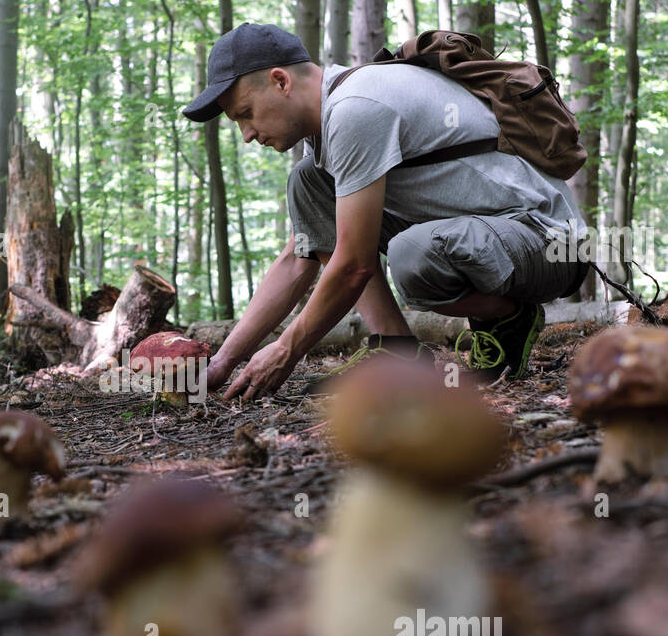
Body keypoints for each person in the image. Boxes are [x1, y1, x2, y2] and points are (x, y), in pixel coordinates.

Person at [182, 23, 590, 401]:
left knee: (412, 255)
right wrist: (224, 361)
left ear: (280, 80)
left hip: (549, 242)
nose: (248, 134)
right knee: (308, 182)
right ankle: (397, 350)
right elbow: (297, 259)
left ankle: (509, 319)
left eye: (245, 114)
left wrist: (286, 350)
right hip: (490, 237)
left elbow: (353, 265)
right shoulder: (329, 128)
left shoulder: (357, 109)